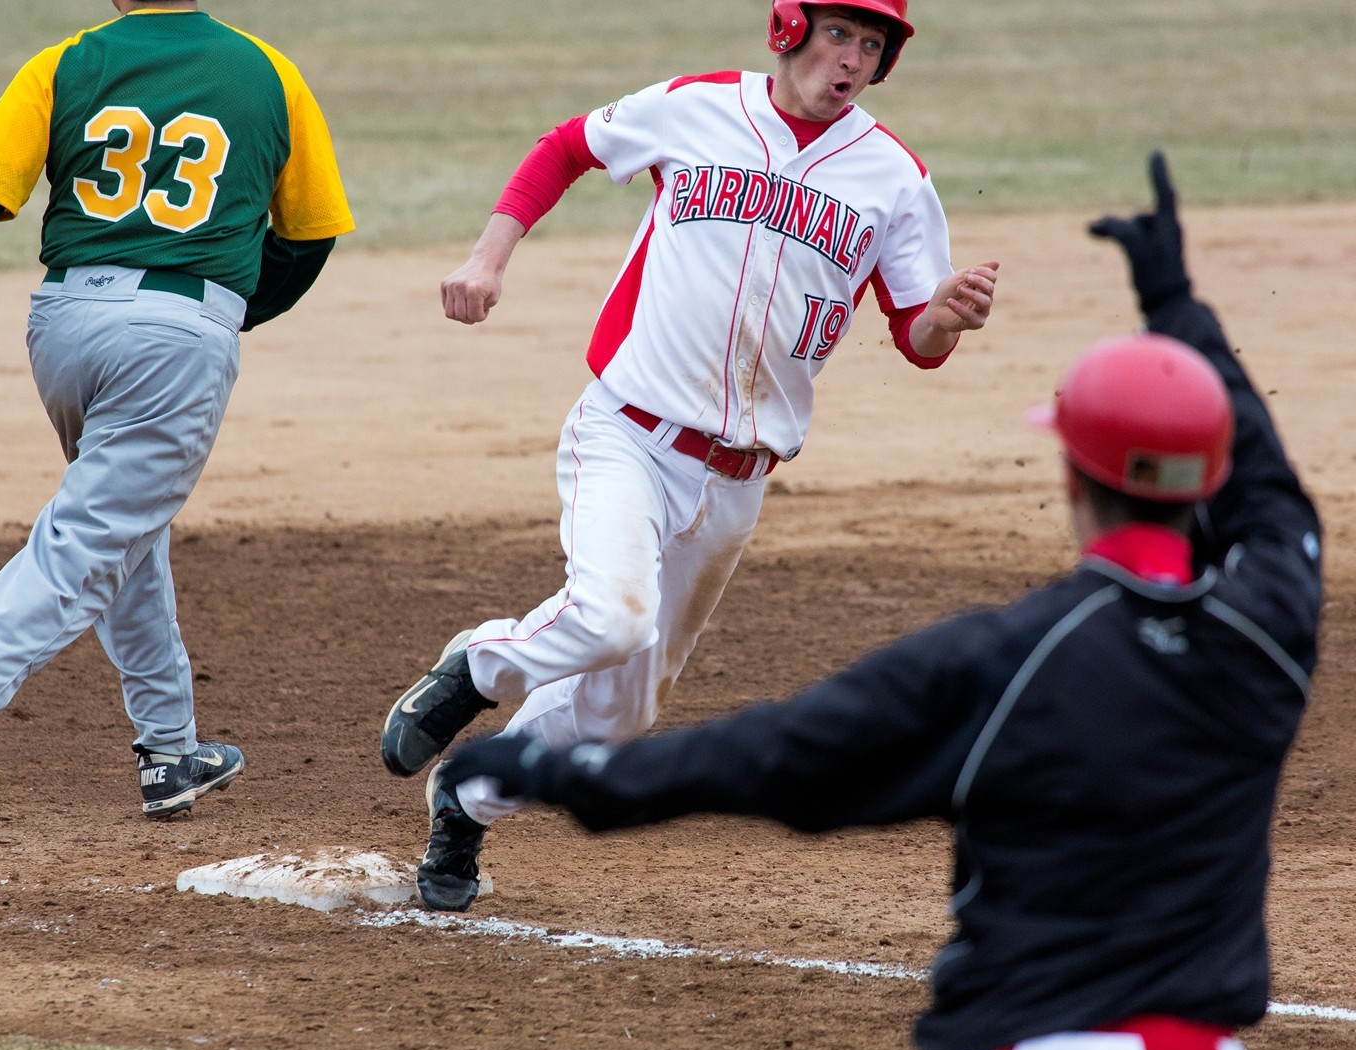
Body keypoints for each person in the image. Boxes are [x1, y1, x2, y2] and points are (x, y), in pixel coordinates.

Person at [437, 151, 1321, 1050]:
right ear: (1208, 478)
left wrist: (563, 774)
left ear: (1070, 474)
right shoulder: (1270, 630)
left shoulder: (1011, 659)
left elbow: (777, 758)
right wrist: (1178, 306)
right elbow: (1271, 490)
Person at [380, 0, 999, 912]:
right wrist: (487, 259)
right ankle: (475, 666)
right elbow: (566, 148)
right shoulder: (699, 107)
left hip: (737, 484)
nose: (852, 59)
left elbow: (917, 332)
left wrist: (946, 313)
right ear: (790, 27)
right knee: (611, 614)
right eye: (839, 33)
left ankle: (469, 795)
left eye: (871, 46)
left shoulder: (894, 178)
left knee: (621, 715)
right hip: (628, 434)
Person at [0, 0, 354, 846]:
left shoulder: (64, 63)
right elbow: (309, 237)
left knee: (123, 529)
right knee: (85, 545)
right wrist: (225, 312)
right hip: (178, 337)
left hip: (65, 330)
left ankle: (171, 751)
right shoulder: (270, 72)